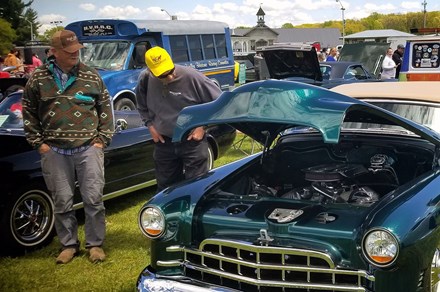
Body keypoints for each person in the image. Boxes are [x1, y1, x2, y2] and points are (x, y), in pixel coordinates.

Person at [22, 30, 114, 264]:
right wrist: (39, 144)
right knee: (61, 200)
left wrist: (101, 139)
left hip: (88, 148)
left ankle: (95, 245)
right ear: (53, 52)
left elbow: (105, 107)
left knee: (93, 199)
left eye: (77, 50)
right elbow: (28, 111)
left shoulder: (91, 76)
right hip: (54, 151)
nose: (75, 55)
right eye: (69, 51)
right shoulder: (38, 78)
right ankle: (68, 245)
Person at [135, 46, 221, 191]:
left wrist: (203, 126)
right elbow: (141, 105)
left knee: (197, 188)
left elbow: (220, 103)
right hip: (164, 142)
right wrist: (150, 126)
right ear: (150, 71)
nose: (169, 77)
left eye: (170, 70)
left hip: (192, 142)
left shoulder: (193, 77)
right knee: (165, 189)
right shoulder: (145, 79)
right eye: (162, 75)